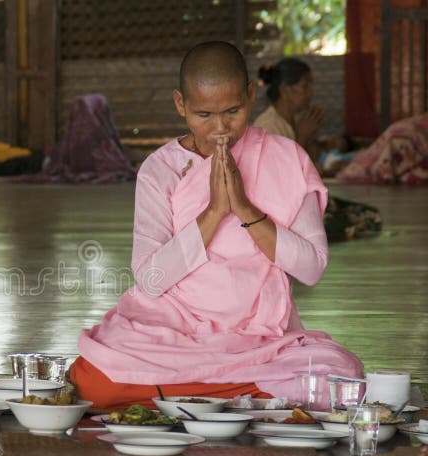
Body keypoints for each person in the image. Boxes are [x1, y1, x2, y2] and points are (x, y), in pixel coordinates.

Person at [69, 41, 363, 411]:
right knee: (92, 382)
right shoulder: (161, 170)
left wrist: (243, 209)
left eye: (233, 111)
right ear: (181, 105)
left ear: (251, 96)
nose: (220, 128)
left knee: (341, 375)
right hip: (170, 331)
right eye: (204, 114)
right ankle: (230, 396)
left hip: (257, 337)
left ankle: (182, 393)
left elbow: (312, 267)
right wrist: (212, 213)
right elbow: (151, 280)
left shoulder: (286, 159)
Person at [254, 58, 381, 242]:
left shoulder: (294, 121)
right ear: (285, 89)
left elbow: (312, 162)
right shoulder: (268, 126)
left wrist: (314, 143)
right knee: (360, 222)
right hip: (284, 210)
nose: (310, 93)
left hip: (302, 202)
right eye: (305, 86)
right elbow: (282, 181)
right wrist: (302, 137)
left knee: (371, 215)